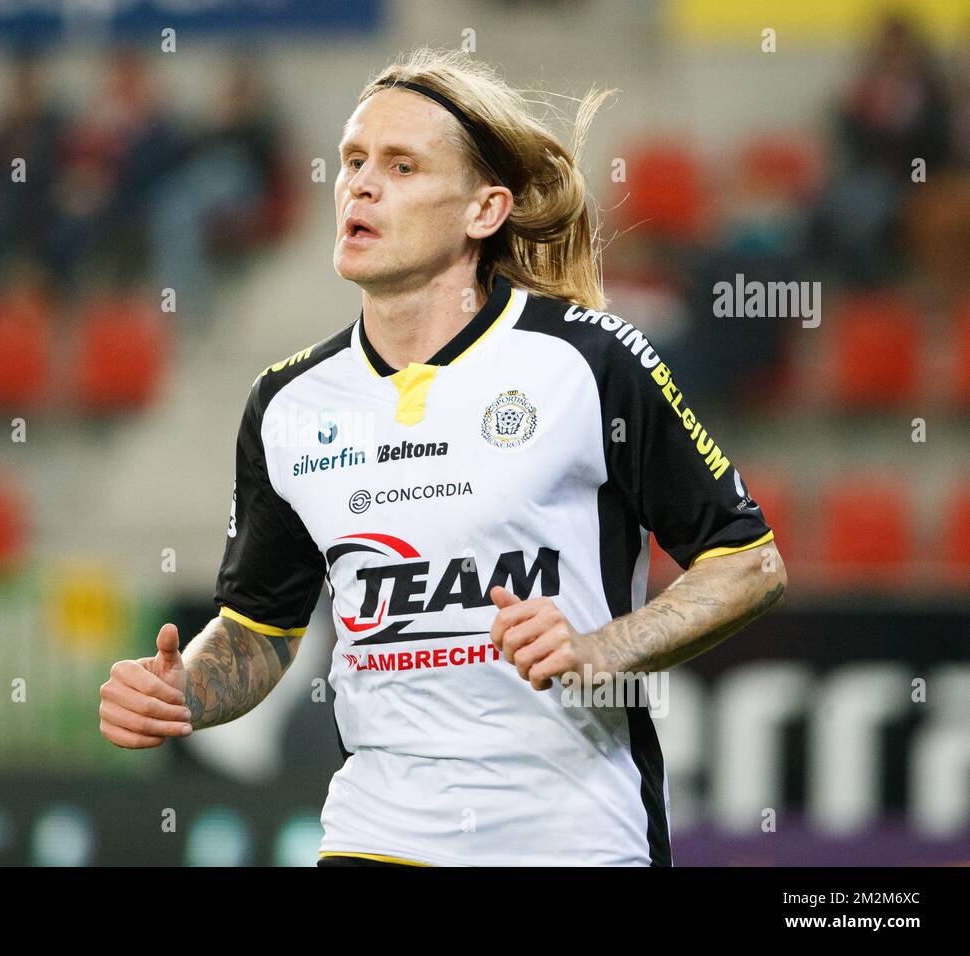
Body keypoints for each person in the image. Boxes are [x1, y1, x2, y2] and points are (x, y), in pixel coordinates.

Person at [98, 48, 787, 866]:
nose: (360, 183)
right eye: (353, 160)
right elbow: (261, 630)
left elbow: (748, 564)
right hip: (378, 836)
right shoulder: (287, 405)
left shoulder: (589, 364)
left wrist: (603, 649)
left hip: (573, 840)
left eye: (400, 165)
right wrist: (180, 693)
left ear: (484, 210)